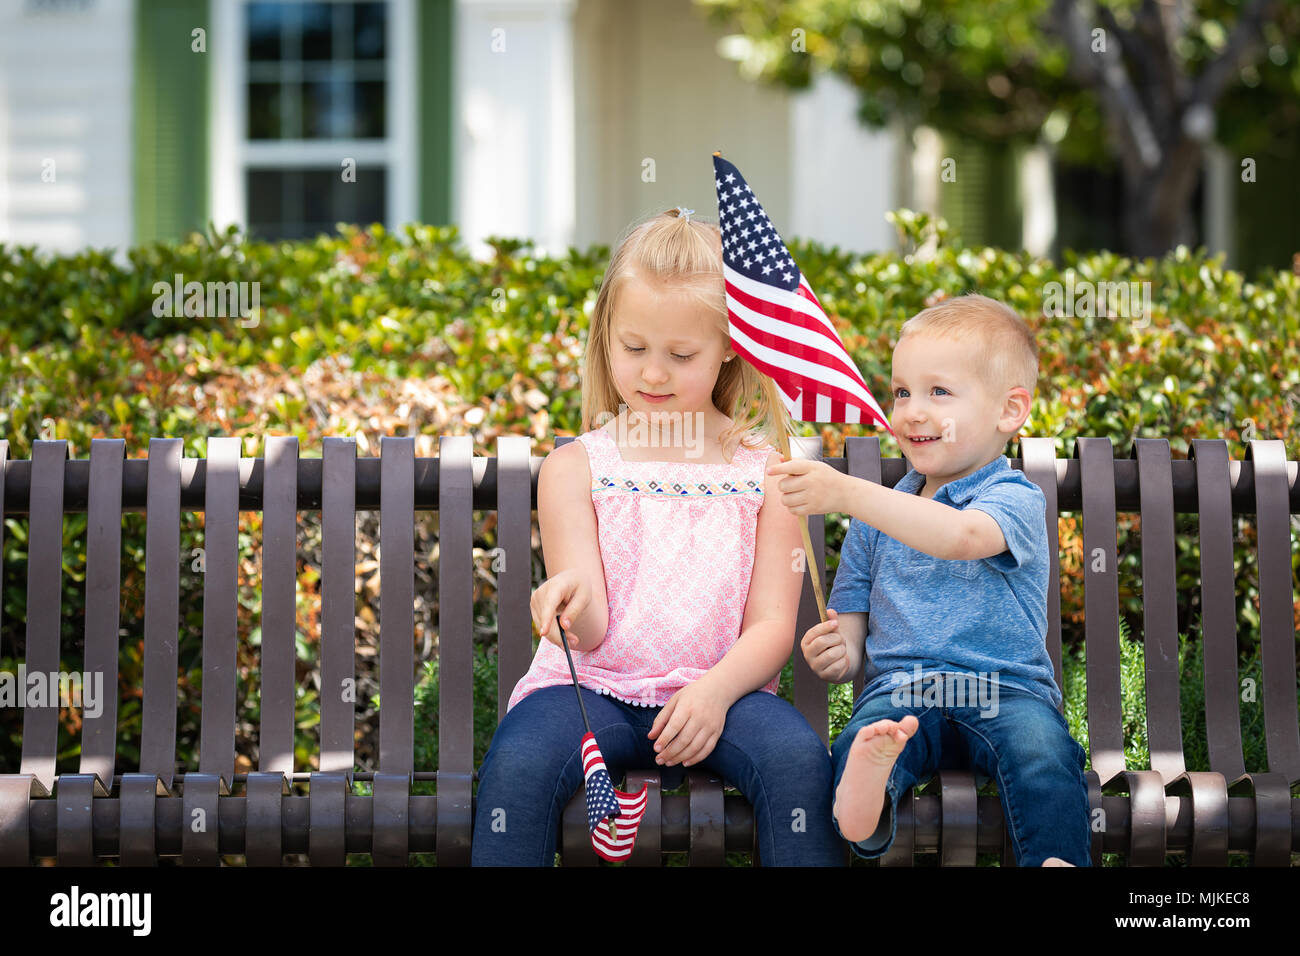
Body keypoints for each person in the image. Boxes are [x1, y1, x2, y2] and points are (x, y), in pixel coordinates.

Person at [471, 206, 844, 866]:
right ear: (607, 336)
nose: (652, 374)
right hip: (590, 691)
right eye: (634, 349)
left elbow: (770, 628)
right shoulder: (577, 467)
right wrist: (565, 599)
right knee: (520, 762)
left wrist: (714, 692)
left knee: (796, 762)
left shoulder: (767, 475)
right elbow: (588, 628)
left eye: (680, 355)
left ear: (731, 343)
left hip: (723, 696)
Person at [767, 293, 1091, 867]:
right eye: (901, 391)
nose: (912, 410)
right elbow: (853, 632)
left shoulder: (1013, 498)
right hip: (904, 688)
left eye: (938, 392)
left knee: (1043, 754)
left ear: (1010, 411)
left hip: (1006, 689)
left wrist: (846, 494)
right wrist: (836, 653)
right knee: (867, 740)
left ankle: (1054, 860)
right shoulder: (879, 516)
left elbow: (961, 537)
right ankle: (863, 810)